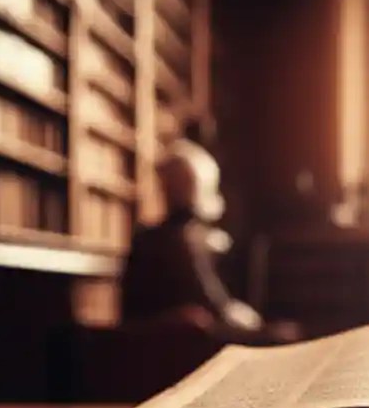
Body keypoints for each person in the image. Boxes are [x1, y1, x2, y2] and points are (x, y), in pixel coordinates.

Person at [120, 123, 301, 344]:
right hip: (180, 348)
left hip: (151, 347)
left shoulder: (149, 237)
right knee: (283, 337)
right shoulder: (186, 239)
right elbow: (216, 306)